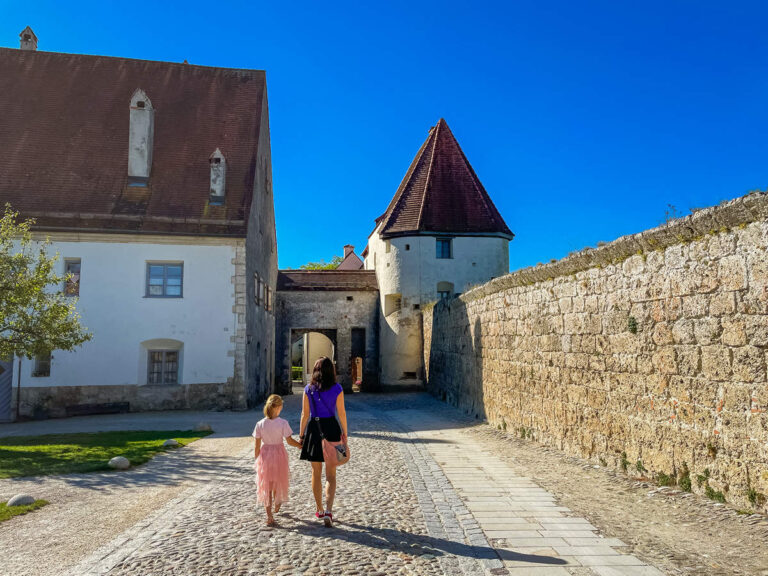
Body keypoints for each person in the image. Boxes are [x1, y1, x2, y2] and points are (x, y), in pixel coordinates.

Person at [299, 357, 348, 527]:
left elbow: (305, 414)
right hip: (332, 428)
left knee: (316, 473)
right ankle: (328, 510)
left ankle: (319, 509)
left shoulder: (308, 389)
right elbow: (341, 413)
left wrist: (301, 435)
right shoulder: (337, 388)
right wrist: (345, 434)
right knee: (331, 474)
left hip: (314, 428)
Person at [253, 394, 302, 525]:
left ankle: (269, 515)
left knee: (266, 485)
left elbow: (257, 447)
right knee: (278, 479)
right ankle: (277, 502)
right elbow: (290, 440)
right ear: (279, 407)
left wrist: (257, 461)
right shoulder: (283, 423)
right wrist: (300, 445)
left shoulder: (260, 424)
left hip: (265, 455)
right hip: (279, 454)